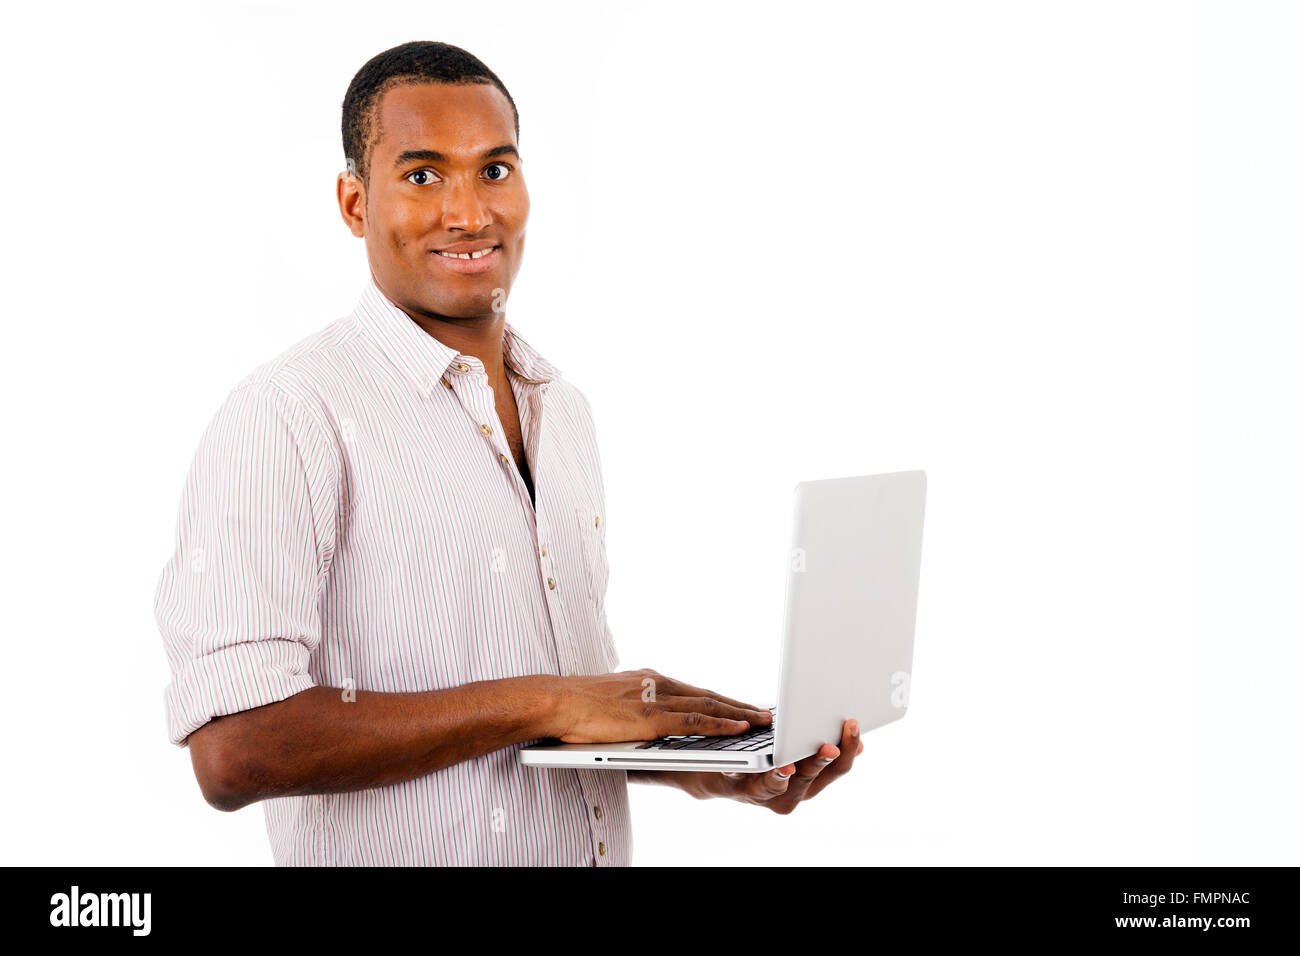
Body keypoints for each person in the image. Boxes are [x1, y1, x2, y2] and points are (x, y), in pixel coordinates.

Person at [154, 40, 861, 866]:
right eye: (422, 176)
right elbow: (236, 750)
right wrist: (547, 699)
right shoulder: (288, 414)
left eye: (494, 170)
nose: (469, 213)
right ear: (354, 203)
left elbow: (547, 729)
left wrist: (698, 763)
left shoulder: (563, 411)